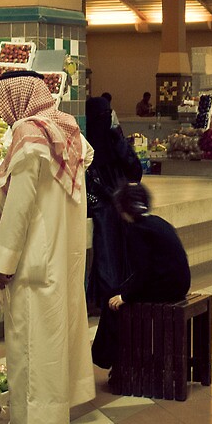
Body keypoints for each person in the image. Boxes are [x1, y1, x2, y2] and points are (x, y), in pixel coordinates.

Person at [0, 70, 96, 424]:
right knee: (56, 334)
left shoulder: (29, 133)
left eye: (4, 103)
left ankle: (31, 422)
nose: (2, 113)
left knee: (30, 342)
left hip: (34, 258)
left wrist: (3, 263)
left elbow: (19, 206)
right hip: (63, 256)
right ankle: (54, 411)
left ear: (17, 98)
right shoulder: (67, 128)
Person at [92, 183, 190, 373]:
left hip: (166, 288)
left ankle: (109, 359)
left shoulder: (136, 229)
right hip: (179, 284)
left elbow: (143, 273)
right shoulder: (156, 222)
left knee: (112, 303)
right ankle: (109, 357)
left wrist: (125, 297)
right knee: (115, 293)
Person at [85, 96, 143, 314]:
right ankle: (115, 296)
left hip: (107, 208)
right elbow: (135, 171)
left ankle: (108, 297)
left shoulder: (91, 142)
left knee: (108, 254)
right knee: (115, 253)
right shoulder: (111, 139)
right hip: (117, 206)